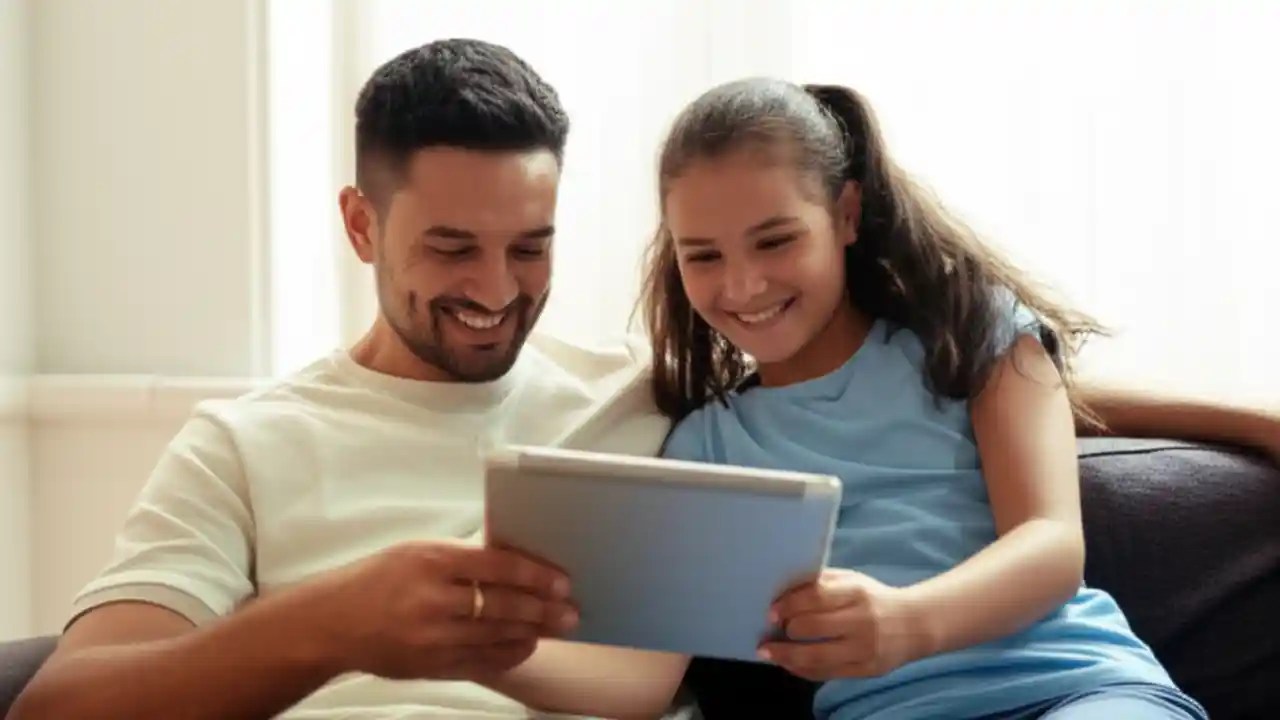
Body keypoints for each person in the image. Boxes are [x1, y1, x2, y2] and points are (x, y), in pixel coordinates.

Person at [9, 39, 1276, 720]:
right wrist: (347, 622)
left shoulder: (645, 405)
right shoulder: (240, 444)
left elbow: (983, 383)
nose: (497, 288)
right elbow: (66, 707)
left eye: (532, 245)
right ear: (359, 223)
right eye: (449, 246)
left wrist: (1244, 416)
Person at [637, 77, 1280, 720]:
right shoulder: (707, 447)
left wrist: (904, 621)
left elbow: (1051, 541)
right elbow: (638, 681)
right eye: (703, 256)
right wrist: (531, 645)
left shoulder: (972, 334)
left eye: (776, 240)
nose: (743, 284)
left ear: (846, 214)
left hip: (1078, 690)